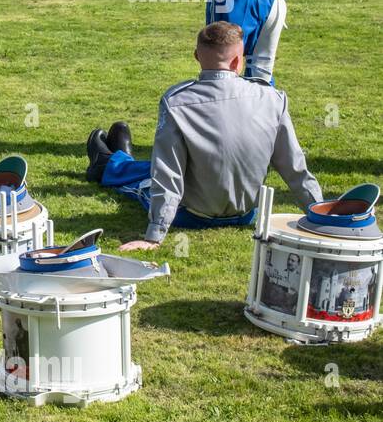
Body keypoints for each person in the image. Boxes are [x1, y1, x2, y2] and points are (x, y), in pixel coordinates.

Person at [85, 21, 321, 250]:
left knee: (145, 181)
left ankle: (109, 164)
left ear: (197, 57)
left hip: (190, 215)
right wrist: (321, 213)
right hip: (246, 214)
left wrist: (154, 235)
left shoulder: (177, 101)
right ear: (238, 61)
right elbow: (295, 167)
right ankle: (118, 159)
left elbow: (167, 173)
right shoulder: (271, 99)